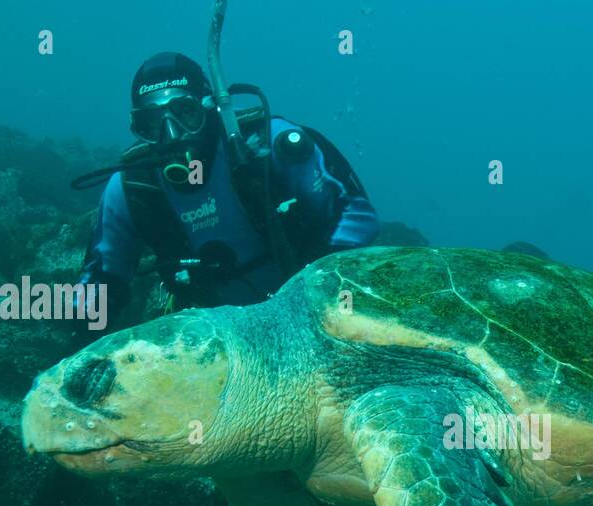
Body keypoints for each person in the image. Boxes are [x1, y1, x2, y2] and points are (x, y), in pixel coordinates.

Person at [78, 52, 377, 316]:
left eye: (185, 113)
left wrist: (316, 292)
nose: (171, 135)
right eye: (152, 123)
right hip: (209, 339)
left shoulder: (267, 146)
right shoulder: (132, 189)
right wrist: (72, 318)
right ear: (138, 128)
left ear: (209, 108)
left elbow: (355, 214)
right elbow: (100, 283)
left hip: (307, 318)